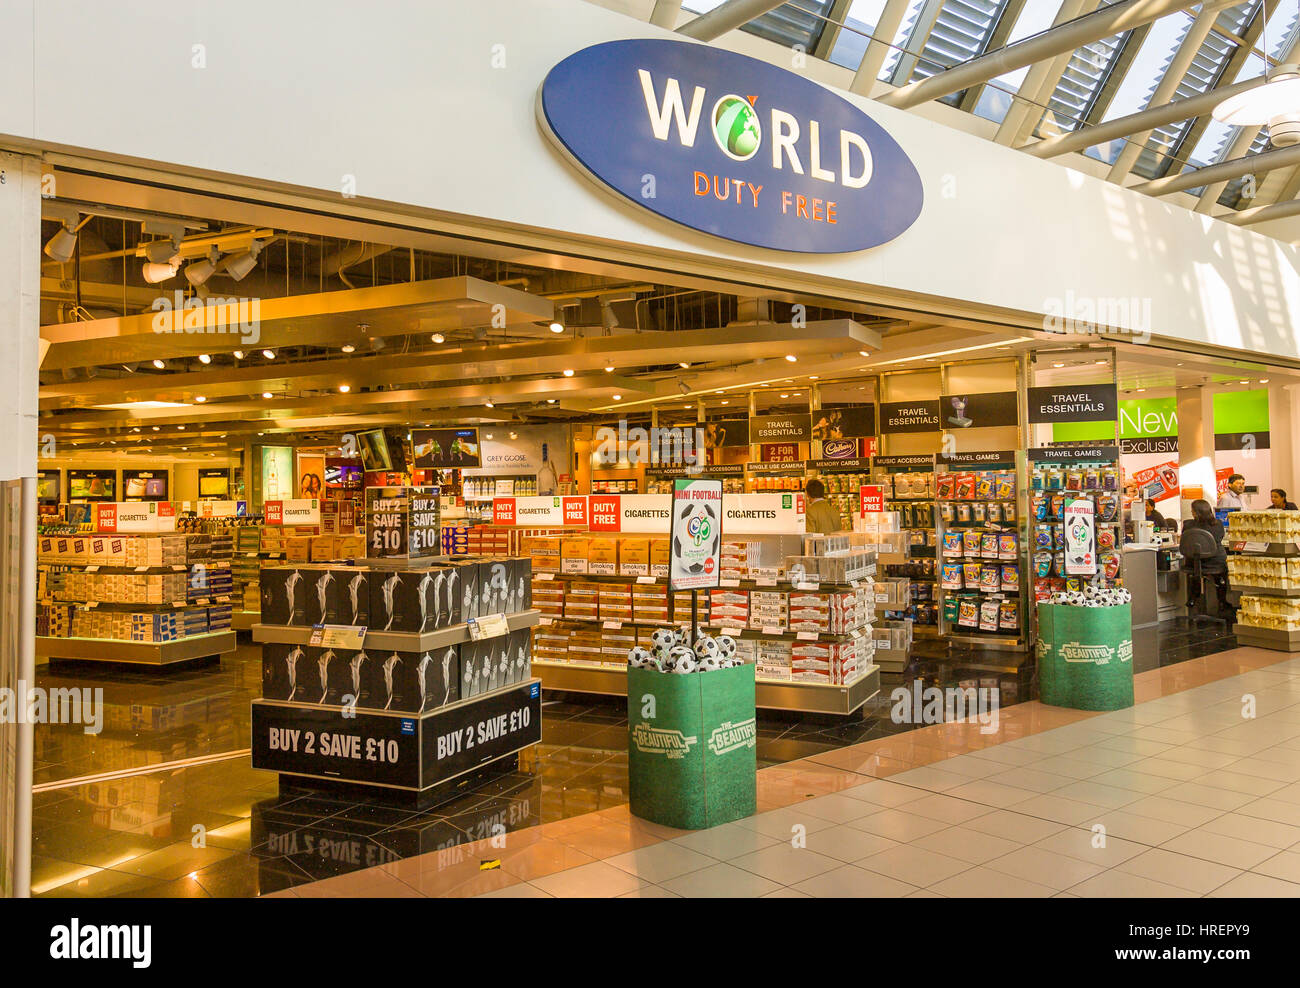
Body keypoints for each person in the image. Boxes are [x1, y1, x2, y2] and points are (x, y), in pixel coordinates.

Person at [1180, 499, 1230, 615]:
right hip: (1215, 562)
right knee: (1222, 574)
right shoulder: (1218, 524)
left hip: (1194, 563)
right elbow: (1220, 538)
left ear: (1196, 513)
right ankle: (1222, 601)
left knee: (1196, 574)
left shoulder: (1188, 525)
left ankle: (1193, 597)